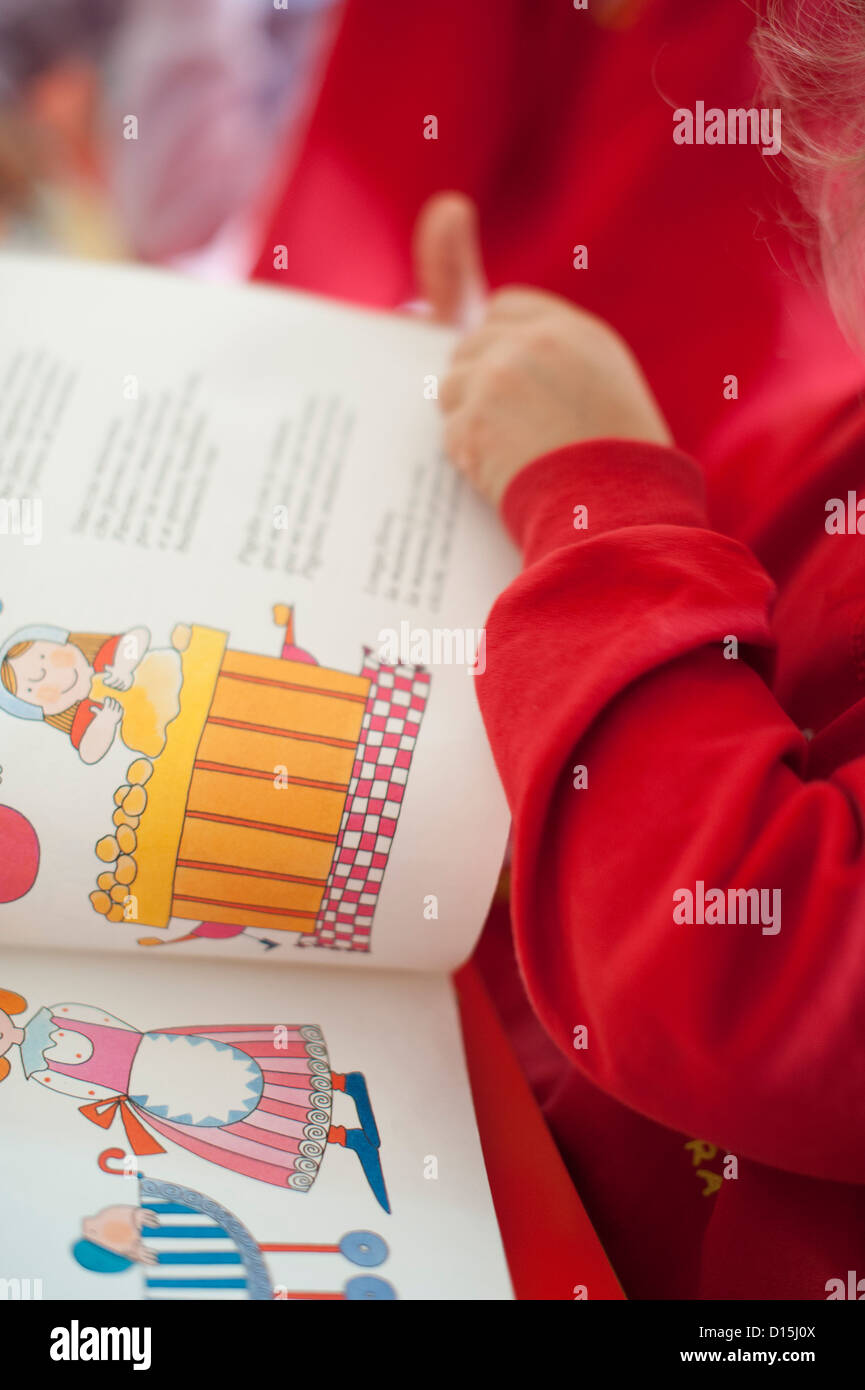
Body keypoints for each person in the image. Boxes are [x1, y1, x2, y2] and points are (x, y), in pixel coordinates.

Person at [253, 0, 865, 1298]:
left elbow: (737, 974)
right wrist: (511, 447)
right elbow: (752, 551)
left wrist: (595, 488)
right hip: (488, 1110)